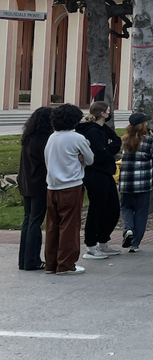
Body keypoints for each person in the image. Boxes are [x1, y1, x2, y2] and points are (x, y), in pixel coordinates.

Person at [44, 104, 94, 275]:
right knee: (70, 226)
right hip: (71, 185)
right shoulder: (77, 138)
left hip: (52, 186)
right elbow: (89, 159)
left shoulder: (52, 137)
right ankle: (66, 264)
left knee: (53, 225)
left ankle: (51, 263)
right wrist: (80, 158)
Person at [76, 102, 122, 259]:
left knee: (113, 208)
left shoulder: (105, 129)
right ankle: (91, 244)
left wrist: (107, 148)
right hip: (95, 174)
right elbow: (98, 153)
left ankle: (103, 240)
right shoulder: (92, 131)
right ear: (102, 113)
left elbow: (117, 143)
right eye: (108, 110)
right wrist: (107, 150)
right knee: (97, 209)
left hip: (106, 173)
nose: (110, 112)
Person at [118, 113, 153, 252]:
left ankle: (129, 229)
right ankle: (135, 243)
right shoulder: (149, 140)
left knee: (126, 207)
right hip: (143, 182)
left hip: (126, 182)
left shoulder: (125, 140)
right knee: (141, 212)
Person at [18, 107, 53, 271]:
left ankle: (24, 259)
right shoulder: (44, 140)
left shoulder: (28, 138)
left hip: (26, 183)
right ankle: (32, 259)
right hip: (39, 184)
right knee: (35, 222)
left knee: (28, 220)